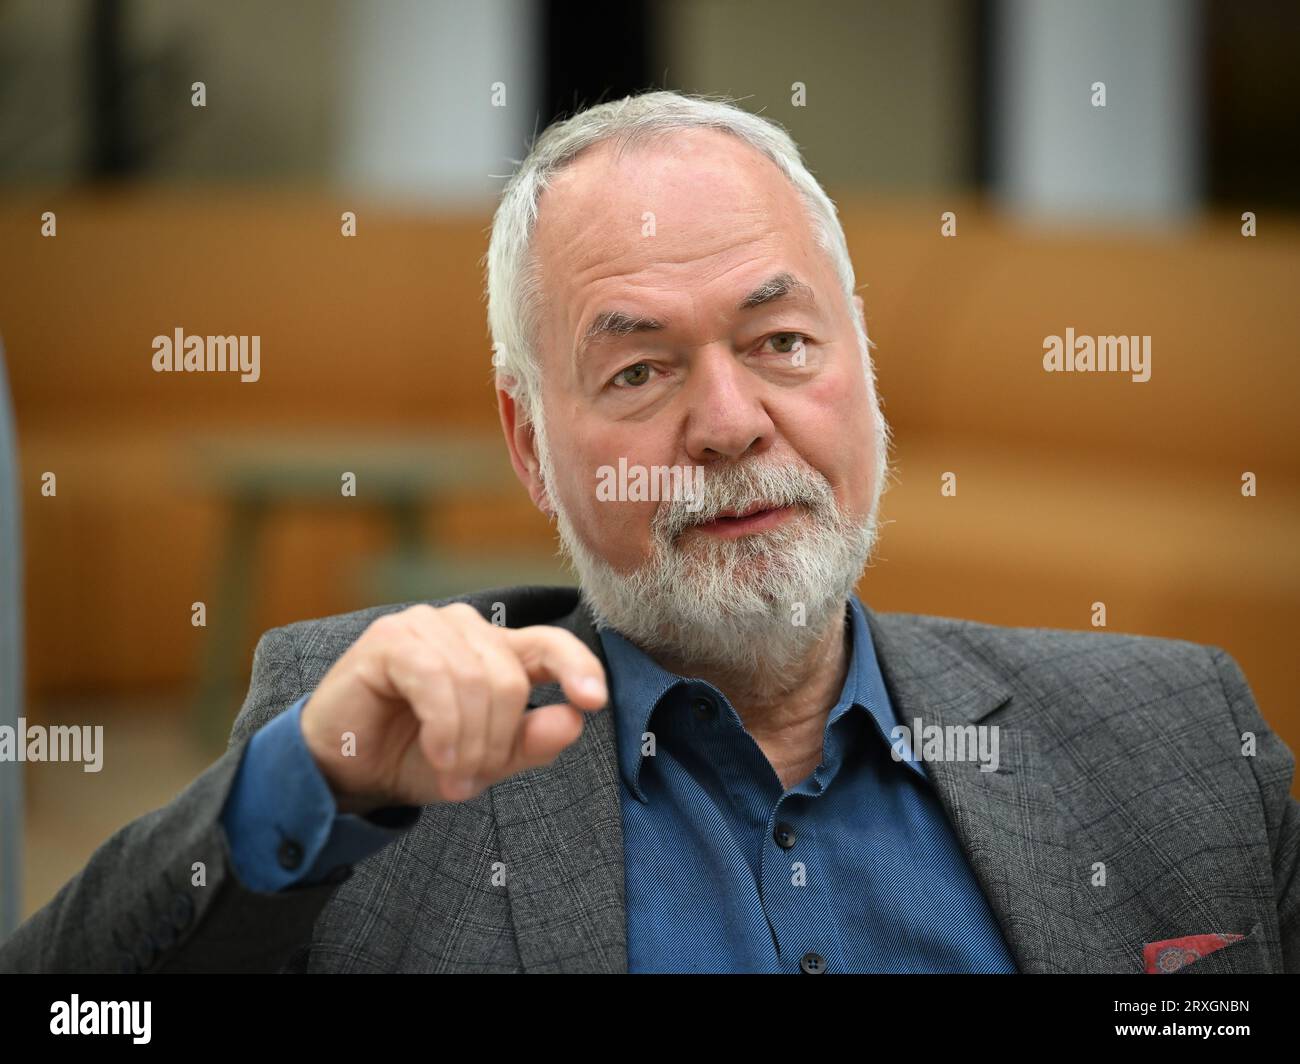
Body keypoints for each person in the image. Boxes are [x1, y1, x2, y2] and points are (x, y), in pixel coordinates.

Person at [3, 91, 1296, 974]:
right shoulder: (372, 765)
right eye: (638, 372)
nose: (730, 423)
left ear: (866, 364)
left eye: (782, 342)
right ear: (529, 446)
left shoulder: (1177, 734)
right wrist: (310, 788)